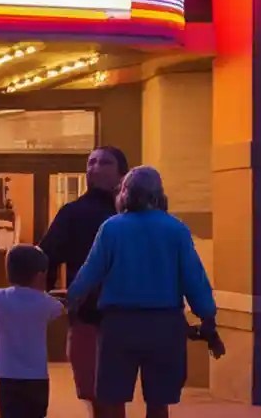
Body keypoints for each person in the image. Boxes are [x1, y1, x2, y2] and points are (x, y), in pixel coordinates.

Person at [66, 166, 222, 418]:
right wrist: (207, 318)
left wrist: (73, 298)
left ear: (124, 194)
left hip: (118, 325)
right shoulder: (176, 229)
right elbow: (194, 278)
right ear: (159, 195)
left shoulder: (112, 228)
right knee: (159, 401)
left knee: (113, 398)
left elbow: (89, 272)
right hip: (164, 325)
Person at [38, 145, 126, 415]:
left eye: (105, 163)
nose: (95, 168)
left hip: (124, 314)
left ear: (122, 173)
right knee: (92, 390)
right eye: (91, 162)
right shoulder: (72, 212)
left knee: (113, 392)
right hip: (86, 313)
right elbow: (47, 256)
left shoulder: (130, 216)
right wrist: (44, 295)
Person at [0, 244, 66, 418]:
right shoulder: (45, 303)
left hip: (8, 377)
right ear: (40, 275)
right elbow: (67, 302)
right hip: (37, 379)